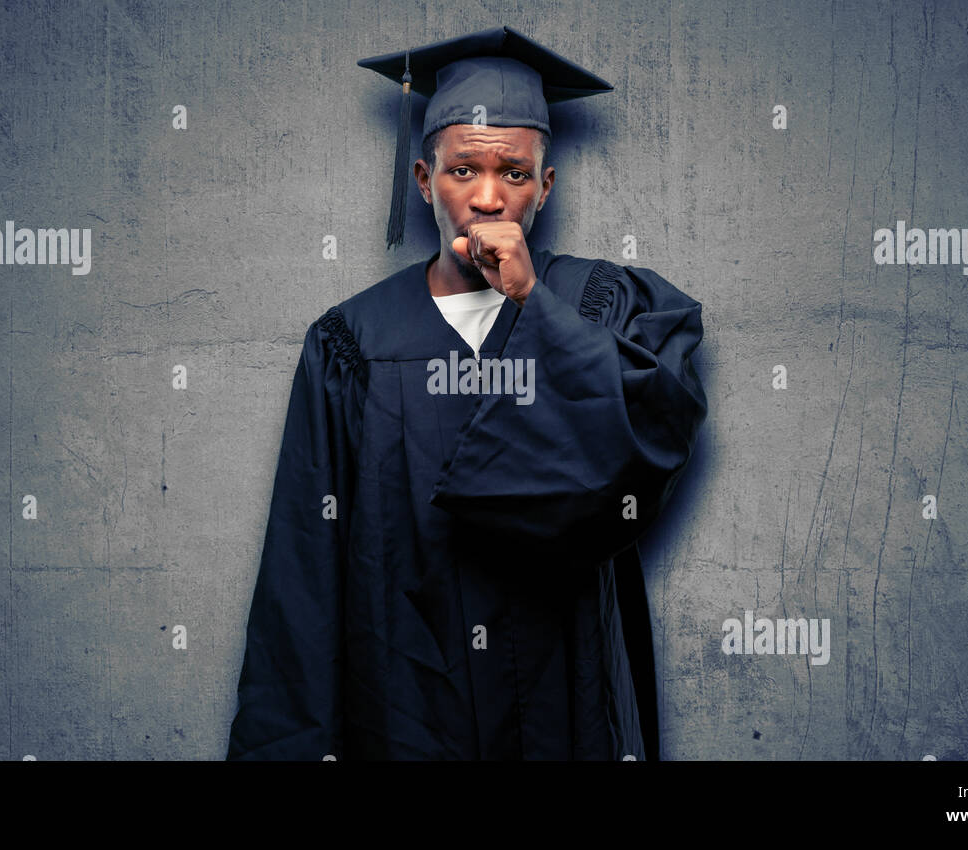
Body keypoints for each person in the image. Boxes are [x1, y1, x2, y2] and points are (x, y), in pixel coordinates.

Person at [227, 25, 708, 760]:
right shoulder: (352, 343)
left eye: (514, 172)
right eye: (463, 171)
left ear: (545, 187)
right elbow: (304, 573)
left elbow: (648, 445)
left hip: (564, 691)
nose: (489, 197)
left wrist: (530, 303)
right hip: (407, 703)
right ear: (424, 181)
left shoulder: (599, 305)